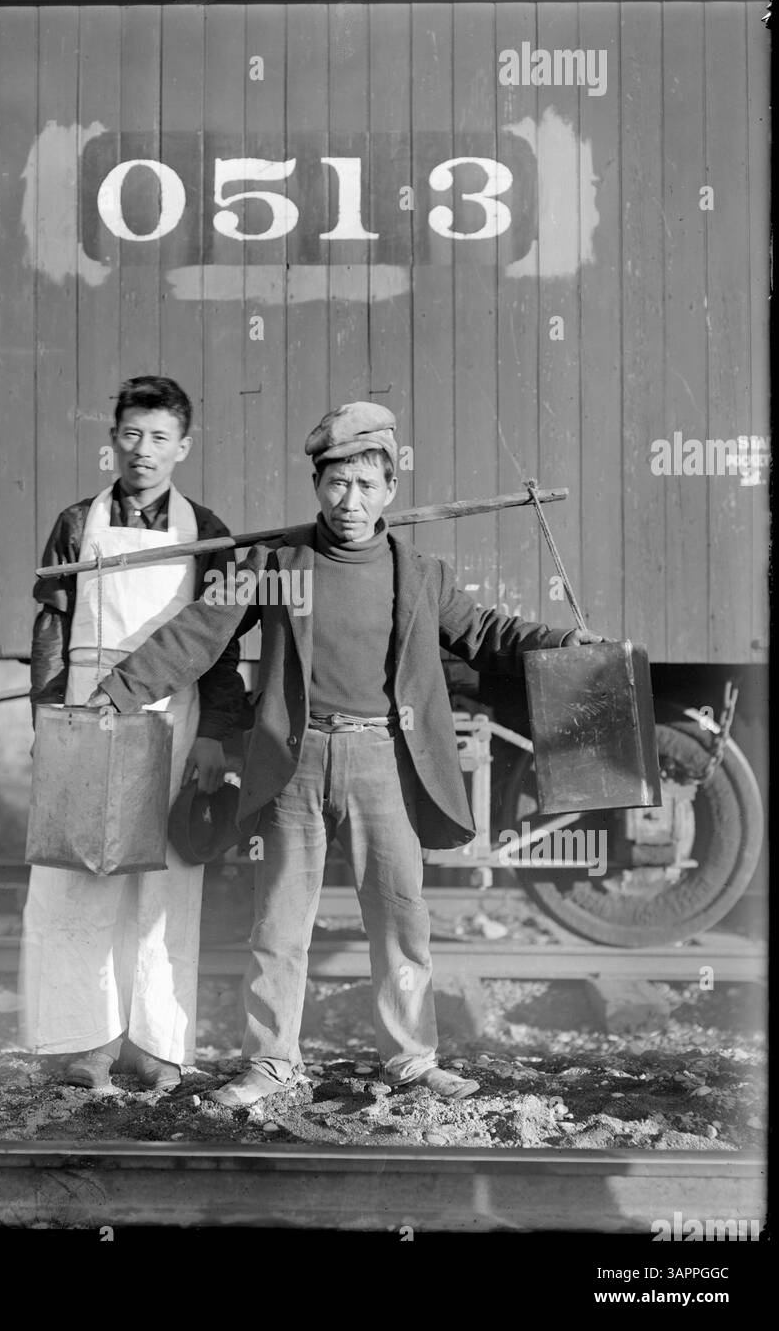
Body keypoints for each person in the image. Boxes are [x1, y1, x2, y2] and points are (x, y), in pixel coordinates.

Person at [85, 401, 606, 1106]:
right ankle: (270, 1064)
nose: (350, 502)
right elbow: (197, 634)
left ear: (391, 490)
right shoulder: (278, 563)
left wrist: (561, 646)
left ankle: (413, 1060)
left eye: (366, 486)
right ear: (317, 486)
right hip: (291, 763)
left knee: (401, 919)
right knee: (278, 925)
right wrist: (117, 689)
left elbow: (487, 632)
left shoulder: (419, 573)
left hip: (382, 761)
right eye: (336, 484)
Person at [22, 376, 244, 1092]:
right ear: (112, 438)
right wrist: (49, 723)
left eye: (158, 438)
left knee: (165, 884)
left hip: (171, 721)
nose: (142, 452)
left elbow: (216, 646)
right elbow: (52, 630)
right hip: (86, 713)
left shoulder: (205, 531)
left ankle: (156, 1045)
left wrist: (213, 733)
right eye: (130, 435)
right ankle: (83, 1043)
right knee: (77, 878)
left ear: (183, 446)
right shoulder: (75, 523)